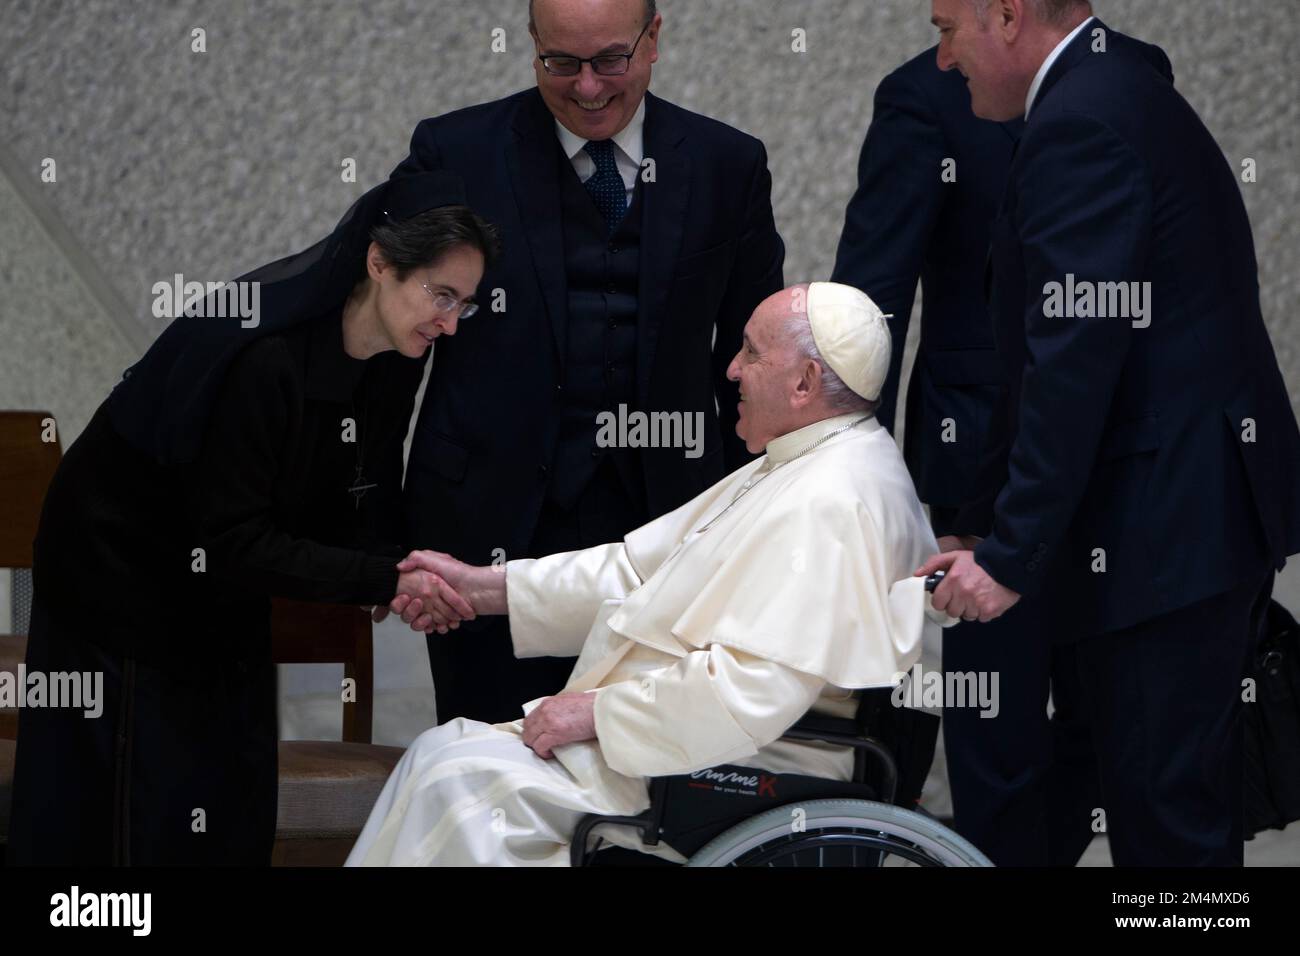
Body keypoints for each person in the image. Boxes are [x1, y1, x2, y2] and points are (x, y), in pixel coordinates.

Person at [347, 283, 955, 866]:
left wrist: (593, 715)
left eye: (751, 351)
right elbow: (639, 571)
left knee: (455, 782)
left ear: (804, 382)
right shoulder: (810, 459)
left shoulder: (831, 497)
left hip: (740, 765)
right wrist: (482, 588)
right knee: (443, 754)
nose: (733, 371)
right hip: (708, 743)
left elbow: (754, 686)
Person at [7, 173, 500, 866]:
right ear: (379, 262)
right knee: (127, 819)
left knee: (230, 795)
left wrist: (409, 566)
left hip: (219, 593)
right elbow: (236, 541)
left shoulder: (399, 352)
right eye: (441, 295)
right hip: (120, 585)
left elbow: (367, 484)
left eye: (465, 305)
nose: (450, 322)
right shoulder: (264, 358)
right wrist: (387, 579)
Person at [917, 0, 1300, 865]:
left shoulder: (1082, 121)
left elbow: (1071, 362)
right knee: (1144, 795)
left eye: (947, 28)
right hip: (1172, 518)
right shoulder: (1119, 81)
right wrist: (981, 519)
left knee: (1169, 829)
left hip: (1166, 532)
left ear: (1008, 14)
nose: (942, 59)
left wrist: (1010, 556)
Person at [392, 0, 785, 724]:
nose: (589, 88)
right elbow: (396, 335)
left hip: (666, 529)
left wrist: (749, 520)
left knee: (644, 773)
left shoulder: (728, 164)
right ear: (532, 46)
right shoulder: (458, 154)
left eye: (611, 60)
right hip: (486, 521)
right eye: (560, 64)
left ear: (654, 39)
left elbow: (752, 356)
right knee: (491, 767)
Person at [830, 39, 1171, 864]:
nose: (949, 39)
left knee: (1109, 725)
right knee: (997, 732)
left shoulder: (1134, 71)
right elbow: (875, 294)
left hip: (1120, 467)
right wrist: (842, 453)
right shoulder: (923, 93)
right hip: (976, 461)